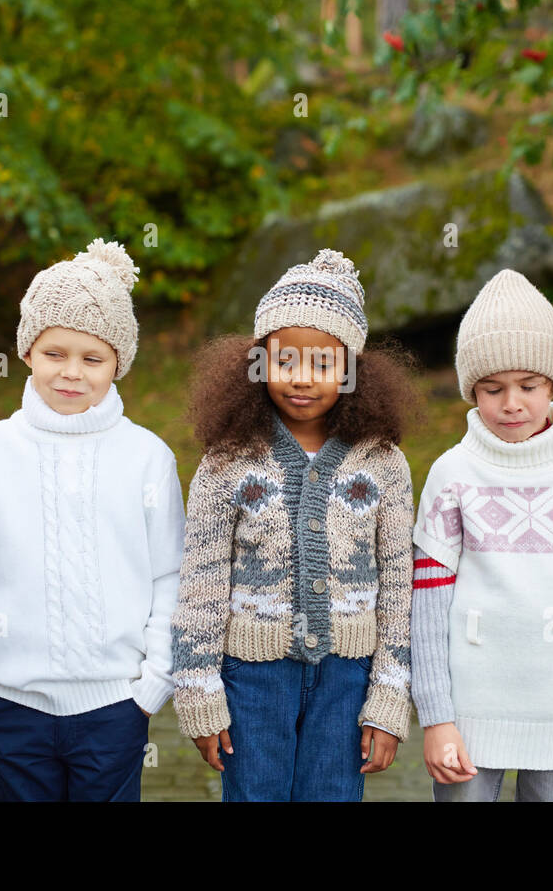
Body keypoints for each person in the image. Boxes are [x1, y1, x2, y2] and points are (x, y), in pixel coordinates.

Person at [0, 239, 184, 801]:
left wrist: (152, 685)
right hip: (10, 705)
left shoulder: (147, 456)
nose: (71, 373)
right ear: (27, 351)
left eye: (92, 358)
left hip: (115, 708)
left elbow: (169, 575)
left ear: (118, 363)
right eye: (55, 353)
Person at [171, 249, 417, 801]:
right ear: (256, 364)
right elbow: (203, 577)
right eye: (284, 362)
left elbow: (400, 585)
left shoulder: (382, 462)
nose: (301, 379)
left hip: (347, 680)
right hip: (252, 678)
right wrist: (198, 688)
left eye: (324, 364)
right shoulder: (228, 459)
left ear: (353, 370)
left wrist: (389, 696)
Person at [411, 269, 553, 801]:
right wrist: (436, 716)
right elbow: (425, 607)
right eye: (492, 389)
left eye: (528, 386)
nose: (511, 403)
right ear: (472, 389)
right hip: (470, 713)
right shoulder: (453, 474)